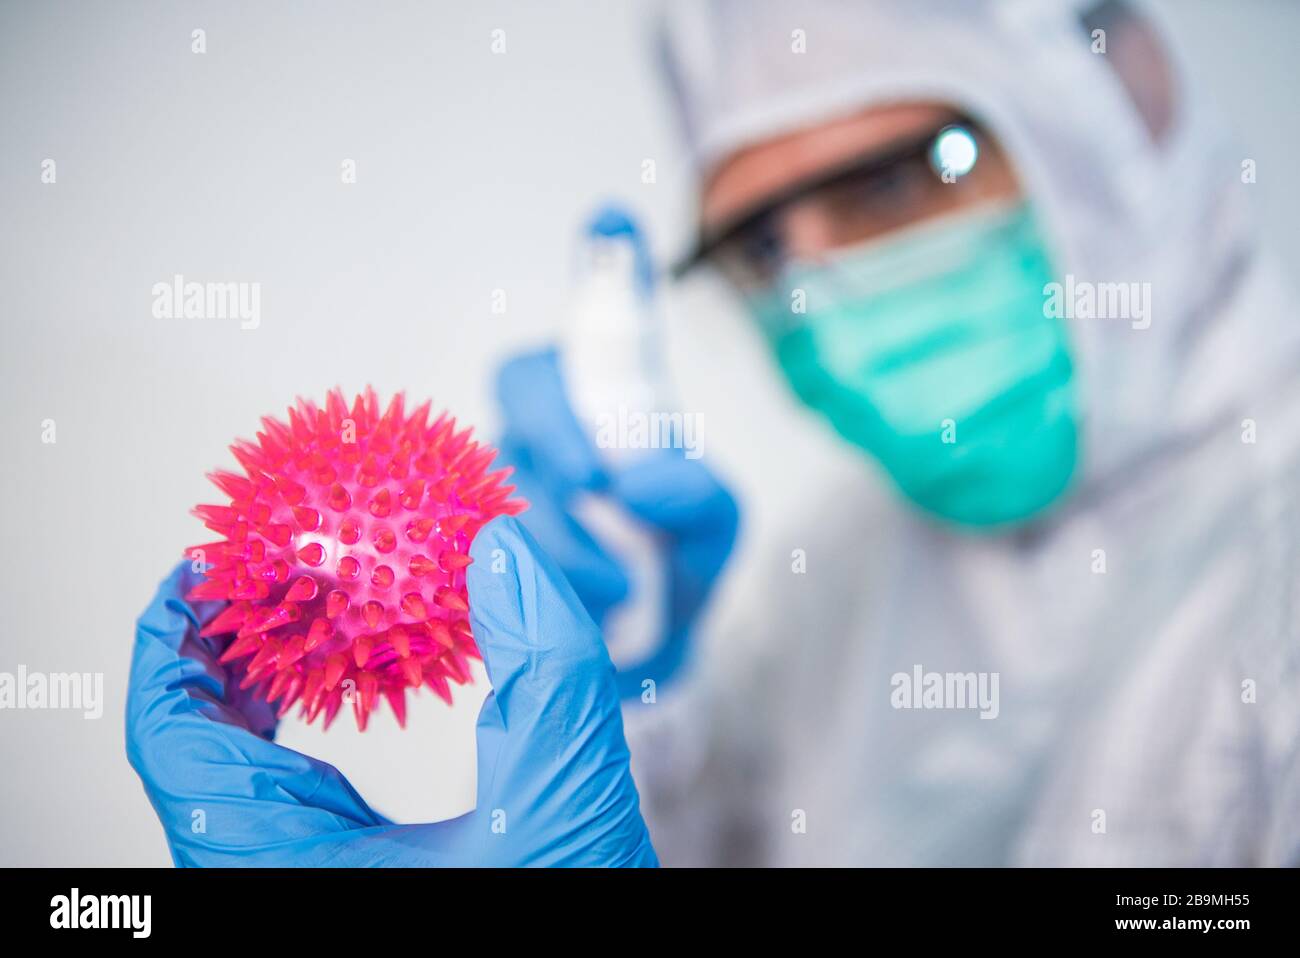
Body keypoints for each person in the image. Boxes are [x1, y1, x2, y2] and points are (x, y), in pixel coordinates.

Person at [128, 0, 1300, 866]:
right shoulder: (831, 586)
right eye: (761, 249)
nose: (824, 291)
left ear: (1118, 99)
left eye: (897, 185)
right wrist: (645, 701)